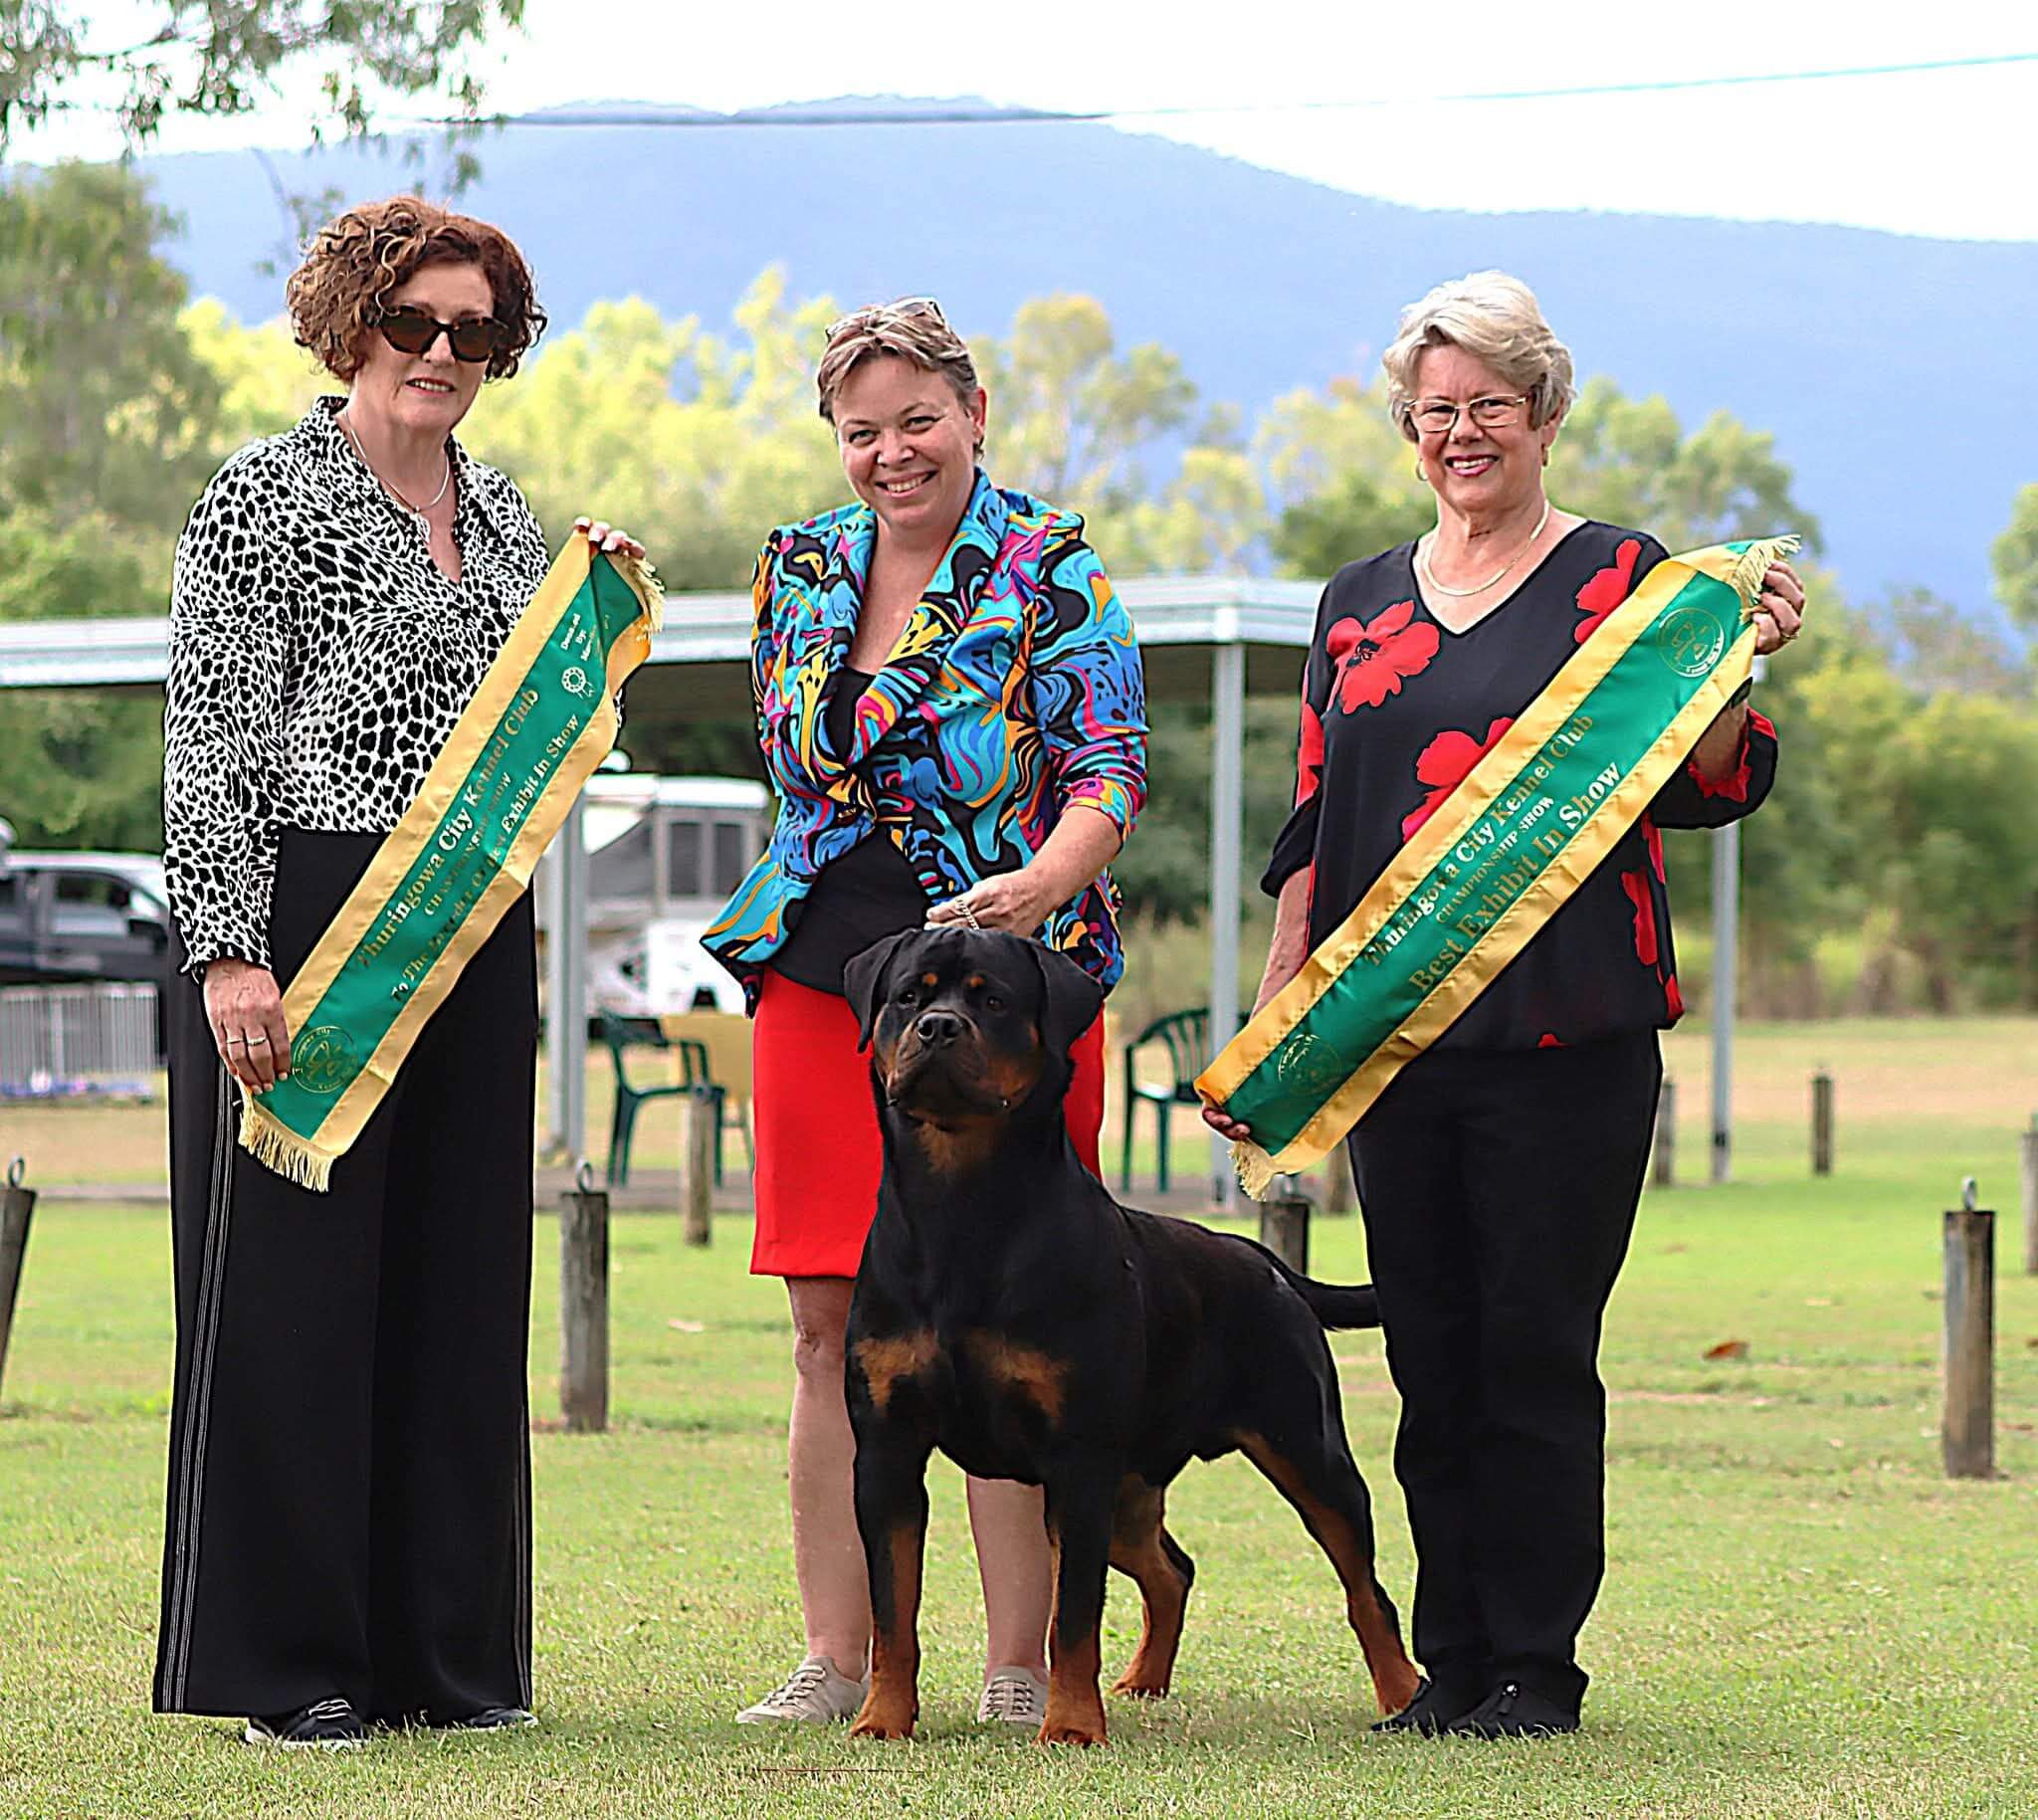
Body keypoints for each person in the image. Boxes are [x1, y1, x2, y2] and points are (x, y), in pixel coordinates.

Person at [1204, 272, 1806, 1739]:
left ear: (1544, 413)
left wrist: (1734, 667)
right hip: (1393, 1047)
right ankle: (1450, 1656)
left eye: (1489, 406)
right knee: (1428, 1352)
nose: (1461, 433)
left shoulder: (1623, 581)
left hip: (1571, 1038)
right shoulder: (1350, 605)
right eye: (1436, 411)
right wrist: (1277, 1015)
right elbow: (1313, 827)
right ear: (1407, 427)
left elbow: (1707, 778)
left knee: (1534, 1347)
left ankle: (1539, 1661)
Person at [155, 194, 646, 1748]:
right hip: (302, 919)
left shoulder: (508, 519)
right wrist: (231, 947)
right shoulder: (260, 497)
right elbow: (211, 737)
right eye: (412, 321)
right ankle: (288, 1663)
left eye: (472, 330)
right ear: (349, 323)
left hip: (465, 936)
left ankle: (448, 1657)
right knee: (295, 1302)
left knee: (454, 1290)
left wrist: (598, 608)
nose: (440, 352)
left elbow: (536, 728)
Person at [702, 298, 1147, 1728]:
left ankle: (1019, 1667)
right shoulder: (796, 566)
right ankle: (838, 1660)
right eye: (860, 431)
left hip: (1005, 978)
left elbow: (1107, 766)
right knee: (830, 1323)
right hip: (827, 972)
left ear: (972, 412)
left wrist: (1043, 883)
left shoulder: (1051, 564)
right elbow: (790, 770)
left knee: (1023, 1320)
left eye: (916, 421)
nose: (891, 453)